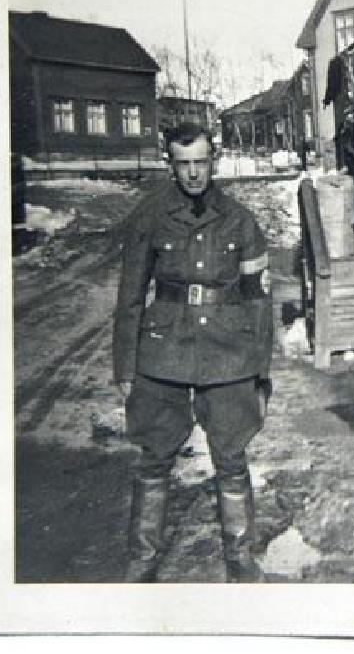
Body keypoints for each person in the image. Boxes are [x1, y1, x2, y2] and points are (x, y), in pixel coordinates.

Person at [113, 122, 274, 583]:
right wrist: (125, 365)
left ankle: (241, 559)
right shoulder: (149, 216)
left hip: (227, 352)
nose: (192, 174)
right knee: (154, 456)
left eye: (200, 162)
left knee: (231, 456)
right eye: (182, 164)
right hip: (163, 351)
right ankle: (141, 559)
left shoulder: (240, 220)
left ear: (214, 160)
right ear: (171, 164)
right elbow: (129, 296)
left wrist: (261, 369)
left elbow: (259, 299)